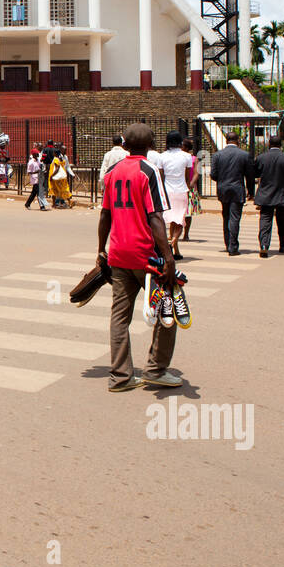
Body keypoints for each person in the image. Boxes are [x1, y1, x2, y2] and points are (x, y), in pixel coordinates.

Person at [97, 122, 182, 392]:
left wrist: (101, 250)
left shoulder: (112, 172)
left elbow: (105, 215)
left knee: (119, 317)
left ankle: (120, 376)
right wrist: (169, 259)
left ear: (124, 144)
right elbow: (156, 218)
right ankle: (156, 369)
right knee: (168, 309)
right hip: (146, 256)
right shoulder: (149, 171)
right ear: (151, 145)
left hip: (119, 254)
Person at [253, 135, 284, 257]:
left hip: (265, 195)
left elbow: (255, 173)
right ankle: (283, 245)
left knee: (265, 221)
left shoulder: (261, 158)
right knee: (283, 221)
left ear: (269, 144)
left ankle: (264, 245)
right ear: (281, 145)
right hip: (282, 195)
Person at [210, 132, 254, 255]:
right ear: (237, 140)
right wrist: (251, 192)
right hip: (237, 189)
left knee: (226, 216)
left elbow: (213, 174)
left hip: (223, 189)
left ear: (226, 140)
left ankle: (228, 242)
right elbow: (250, 175)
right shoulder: (244, 155)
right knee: (235, 218)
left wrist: (223, 180)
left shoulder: (217, 155)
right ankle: (233, 246)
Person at [156, 130, 194, 259]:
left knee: (169, 219)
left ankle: (174, 248)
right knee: (179, 220)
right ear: (180, 142)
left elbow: (161, 176)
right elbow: (187, 176)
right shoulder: (186, 156)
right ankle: (173, 242)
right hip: (181, 190)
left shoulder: (162, 156)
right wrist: (188, 189)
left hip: (167, 190)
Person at [181, 138, 200, 241]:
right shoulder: (178, 158)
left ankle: (186, 233)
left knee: (188, 212)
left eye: (182, 146)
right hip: (179, 187)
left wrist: (191, 184)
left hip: (190, 188)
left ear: (187, 148)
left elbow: (197, 173)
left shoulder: (194, 159)